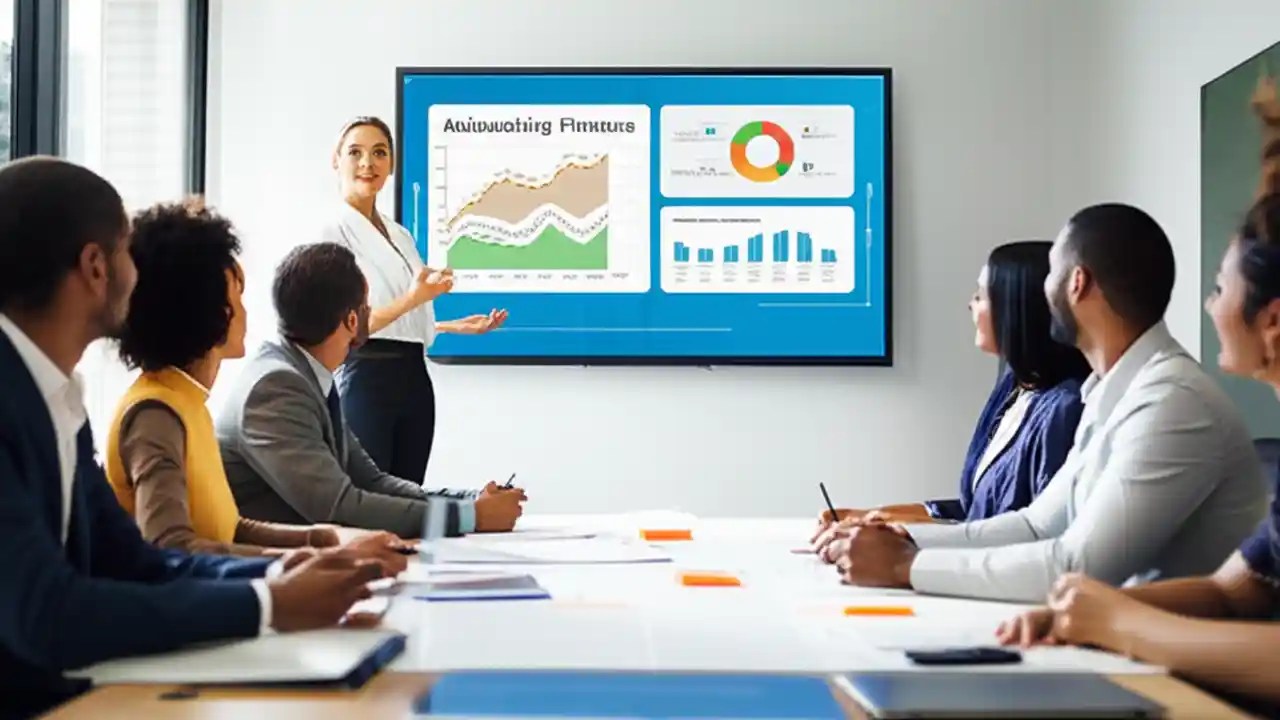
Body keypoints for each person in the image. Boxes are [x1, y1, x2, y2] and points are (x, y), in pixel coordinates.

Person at [0, 158, 384, 720]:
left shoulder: (58, 399)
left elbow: (132, 562)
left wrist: (281, 573)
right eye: (128, 251)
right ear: (95, 268)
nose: (141, 273)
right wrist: (268, 603)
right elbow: (49, 613)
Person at [994, 77, 1280, 714]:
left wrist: (1123, 625)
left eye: (1217, 288)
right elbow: (1237, 593)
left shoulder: (1177, 398)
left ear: (1272, 321)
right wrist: (1074, 607)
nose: (1208, 307)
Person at [814, 202, 1268, 603]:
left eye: (1050, 273)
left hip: (1180, 675)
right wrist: (901, 539)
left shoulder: (1173, 402)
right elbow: (1036, 524)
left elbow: (1078, 566)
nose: (1038, 292)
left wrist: (903, 567)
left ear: (1076, 283)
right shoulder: (1116, 392)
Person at [103, 198, 411, 562]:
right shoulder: (155, 413)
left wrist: (332, 540)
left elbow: (230, 528)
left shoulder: (186, 401)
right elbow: (172, 548)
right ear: (205, 311)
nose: (246, 312)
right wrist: (317, 557)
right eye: (238, 297)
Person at [215, 242, 525, 538]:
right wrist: (472, 517)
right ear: (352, 320)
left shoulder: (306, 375)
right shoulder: (276, 388)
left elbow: (373, 482)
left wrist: (472, 500)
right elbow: (339, 506)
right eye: (367, 306)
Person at [815, 241, 1089, 528]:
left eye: (981, 296)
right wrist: (875, 516)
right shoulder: (1014, 387)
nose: (971, 304)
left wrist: (900, 536)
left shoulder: (1065, 409)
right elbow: (975, 510)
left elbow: (1027, 535)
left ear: (1016, 309)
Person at [319, 116, 509, 485]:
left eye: (379, 153)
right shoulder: (332, 231)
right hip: (367, 377)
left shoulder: (399, 234)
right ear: (336, 159)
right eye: (355, 152)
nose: (367, 163)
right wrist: (413, 298)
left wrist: (450, 325)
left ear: (390, 164)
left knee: (409, 497)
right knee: (371, 501)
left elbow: (400, 314)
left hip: (414, 378)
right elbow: (348, 326)